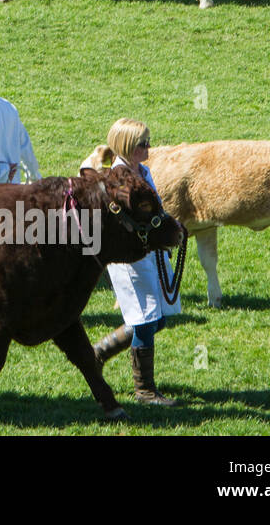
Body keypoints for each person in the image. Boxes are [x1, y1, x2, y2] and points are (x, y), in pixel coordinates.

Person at [87, 118, 179, 405]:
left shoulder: (143, 171)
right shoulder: (119, 179)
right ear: (127, 145)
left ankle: (97, 354)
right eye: (142, 143)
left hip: (149, 252)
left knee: (157, 318)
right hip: (130, 258)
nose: (149, 147)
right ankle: (145, 391)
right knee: (145, 319)